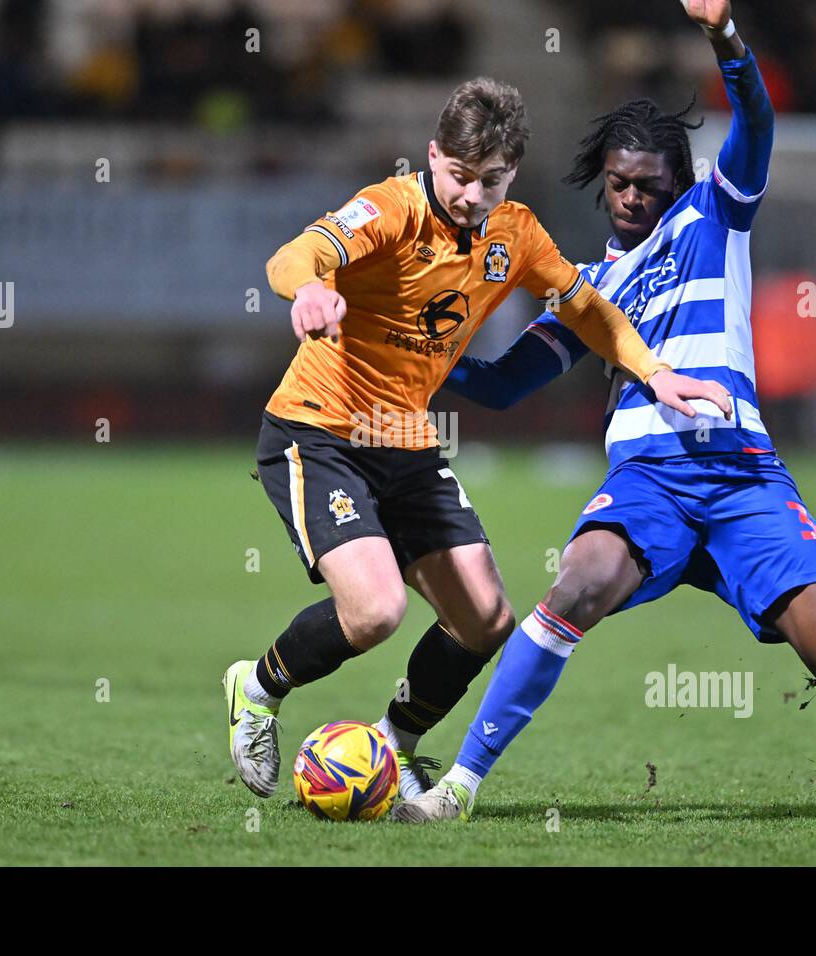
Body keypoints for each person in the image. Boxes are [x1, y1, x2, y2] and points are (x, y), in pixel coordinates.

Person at [392, 0, 816, 828]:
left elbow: (757, 119)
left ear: (679, 185)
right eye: (619, 183)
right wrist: (419, 359)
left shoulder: (716, 217)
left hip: (742, 479)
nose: (630, 197)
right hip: (649, 483)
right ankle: (459, 789)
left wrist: (724, 37)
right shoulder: (591, 291)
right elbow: (507, 384)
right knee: (577, 583)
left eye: (648, 186)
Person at [223, 74, 731, 801]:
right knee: (374, 613)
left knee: (486, 619)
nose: (472, 195)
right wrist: (307, 289)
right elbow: (294, 255)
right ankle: (258, 688)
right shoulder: (391, 209)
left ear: (512, 172)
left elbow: (588, 310)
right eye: (459, 176)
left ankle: (392, 748)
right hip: (319, 431)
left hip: (406, 440)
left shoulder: (515, 233)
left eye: (490, 180)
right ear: (433, 158)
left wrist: (655, 372)